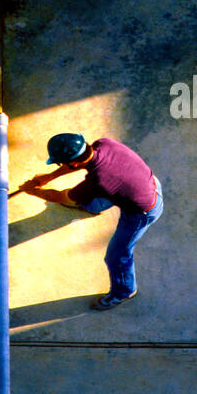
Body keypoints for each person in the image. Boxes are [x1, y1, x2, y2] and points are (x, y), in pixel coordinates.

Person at [23, 132, 163, 310]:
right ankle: (91, 207)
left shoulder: (100, 181)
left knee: (117, 256)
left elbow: (60, 196)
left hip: (143, 210)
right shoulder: (104, 144)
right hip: (145, 182)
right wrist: (49, 177)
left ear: (73, 162)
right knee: (99, 194)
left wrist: (33, 191)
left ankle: (124, 291)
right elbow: (76, 164)